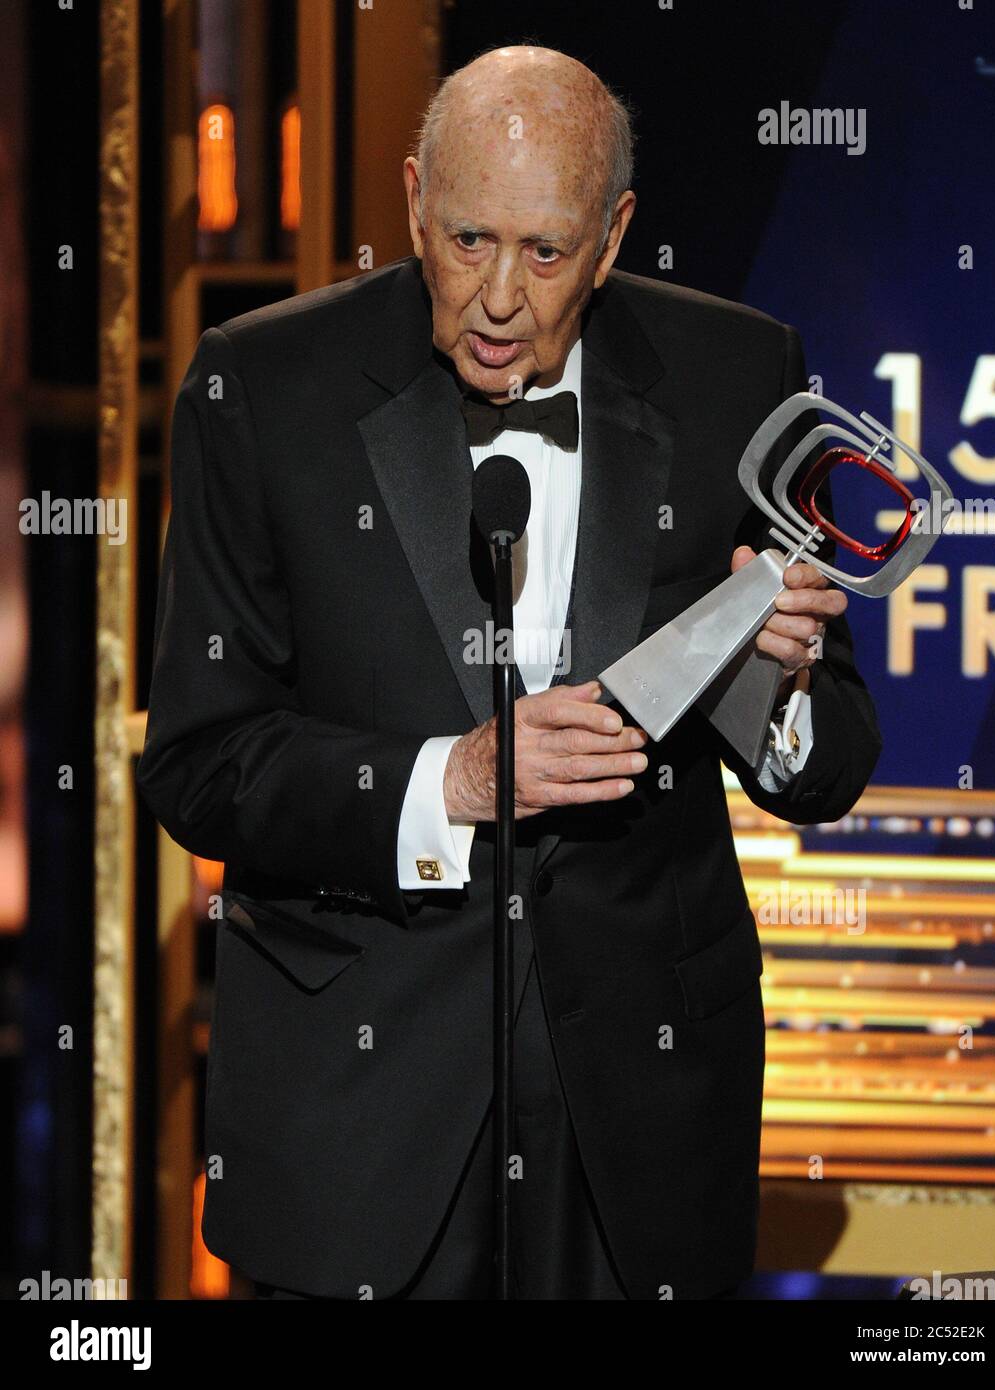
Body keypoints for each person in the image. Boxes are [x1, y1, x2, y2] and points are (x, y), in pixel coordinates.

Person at [137, 45, 880, 1300]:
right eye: (468, 237)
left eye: (543, 254)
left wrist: (768, 686)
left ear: (611, 236)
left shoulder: (736, 376)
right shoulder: (260, 387)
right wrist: (455, 780)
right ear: (417, 199)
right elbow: (200, 762)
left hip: (639, 1120)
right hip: (359, 1114)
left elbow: (833, 758)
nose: (495, 296)